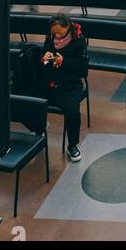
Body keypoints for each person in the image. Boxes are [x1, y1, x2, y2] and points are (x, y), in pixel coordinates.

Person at [36, 13, 89, 163]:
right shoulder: (50, 36)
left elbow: (83, 69)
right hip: (49, 81)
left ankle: (72, 145)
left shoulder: (78, 41)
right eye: (54, 33)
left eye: (59, 32)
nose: (56, 36)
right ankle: (38, 128)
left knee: (72, 113)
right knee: (29, 101)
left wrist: (64, 61)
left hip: (69, 85)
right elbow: (43, 57)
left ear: (67, 28)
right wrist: (44, 58)